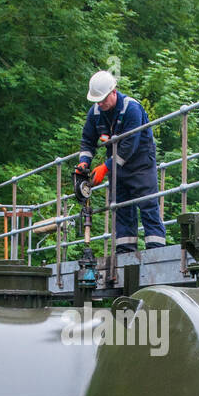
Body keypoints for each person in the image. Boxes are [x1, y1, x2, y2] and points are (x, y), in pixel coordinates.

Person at [76, 70, 167, 258]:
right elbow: (87, 141)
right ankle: (125, 253)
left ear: (114, 91)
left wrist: (105, 167)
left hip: (141, 163)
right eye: (97, 101)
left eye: (103, 99)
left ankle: (157, 253)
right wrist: (84, 163)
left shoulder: (131, 108)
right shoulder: (95, 113)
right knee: (121, 207)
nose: (100, 104)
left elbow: (128, 146)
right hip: (117, 167)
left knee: (148, 204)